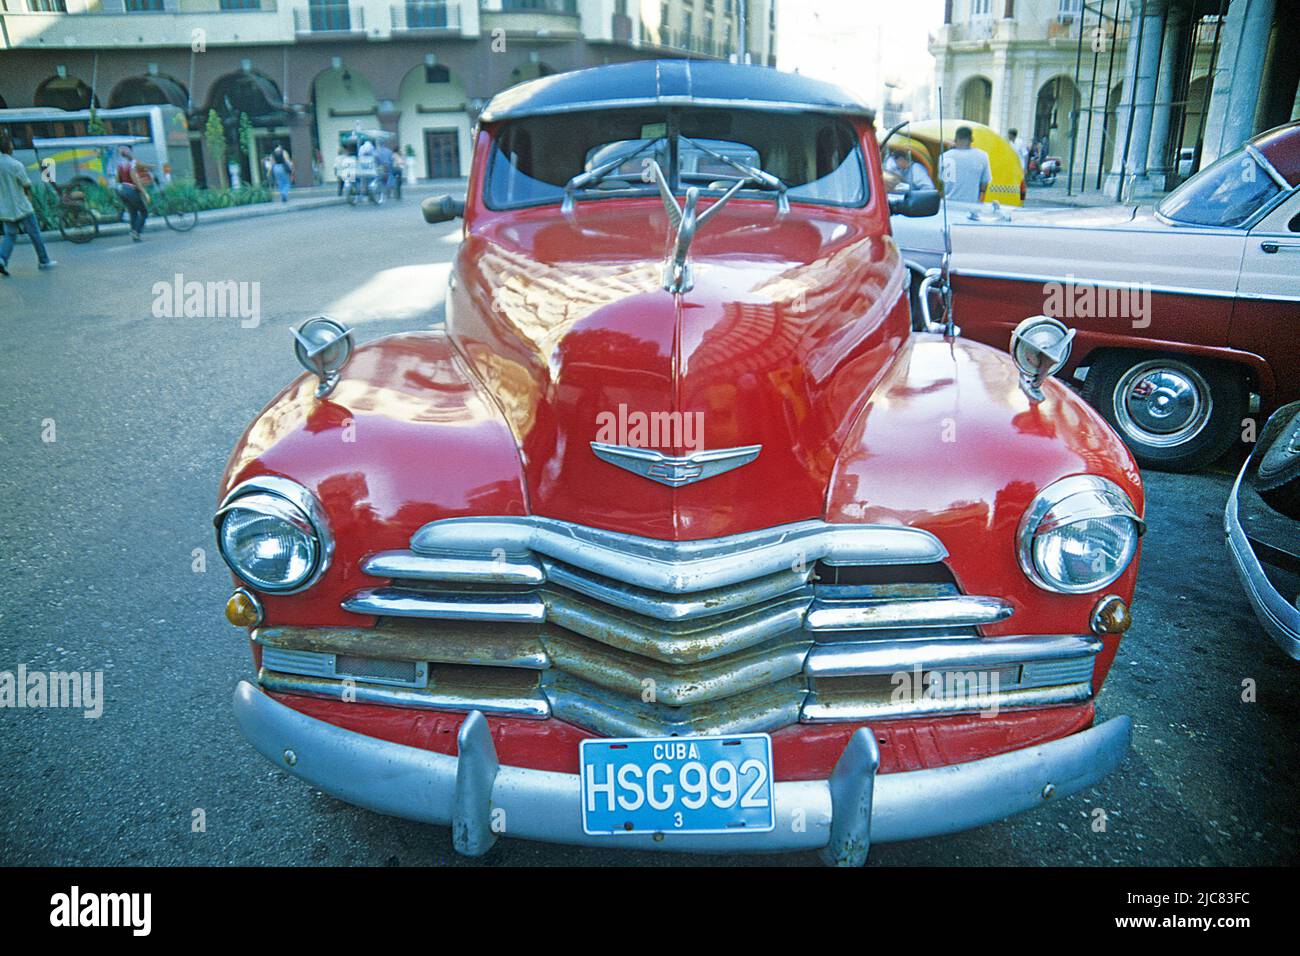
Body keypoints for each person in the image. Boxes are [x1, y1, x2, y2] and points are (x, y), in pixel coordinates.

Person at [0, 132, 57, 275]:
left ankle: (2, 259)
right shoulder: (15, 164)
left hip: (5, 208)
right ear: (8, 147)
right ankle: (44, 260)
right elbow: (26, 185)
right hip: (22, 206)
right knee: (34, 234)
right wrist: (28, 199)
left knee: (10, 235)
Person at [938, 125, 991, 204]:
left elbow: (941, 183)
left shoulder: (944, 156)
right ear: (971, 139)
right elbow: (984, 185)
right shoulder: (982, 156)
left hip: (949, 205)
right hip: (971, 206)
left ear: (955, 139)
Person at [115, 145, 151, 241]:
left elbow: (118, 180)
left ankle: (134, 233)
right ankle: (136, 231)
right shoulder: (131, 165)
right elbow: (136, 181)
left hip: (121, 190)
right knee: (144, 212)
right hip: (130, 190)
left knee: (133, 212)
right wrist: (145, 193)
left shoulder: (120, 165)